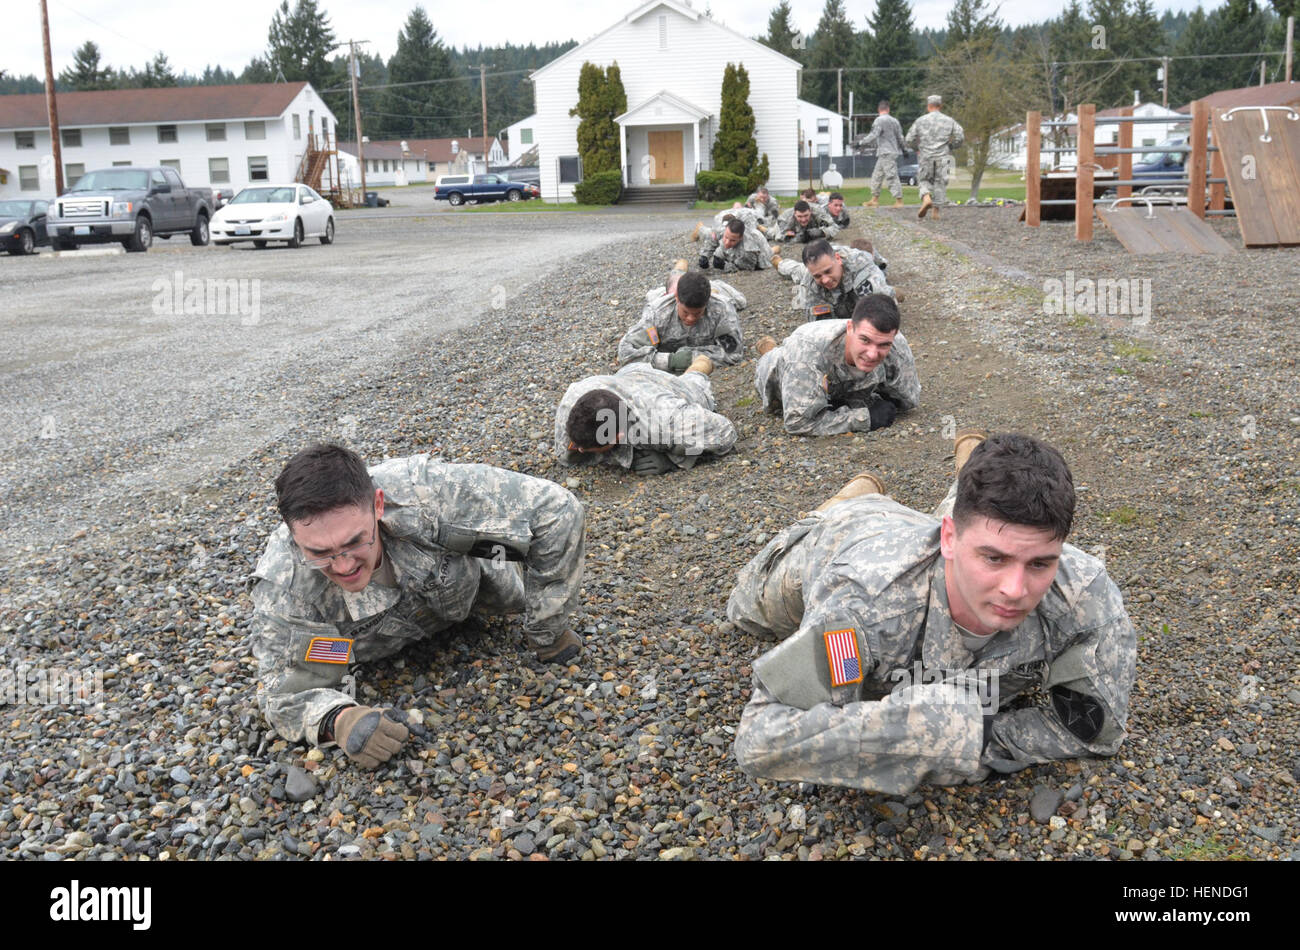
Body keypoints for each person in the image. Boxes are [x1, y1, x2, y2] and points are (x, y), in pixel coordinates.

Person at [728, 432, 1138, 794]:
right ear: (950, 539)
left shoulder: (1081, 594)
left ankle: (965, 467)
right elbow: (761, 738)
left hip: (929, 537)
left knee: (973, 525)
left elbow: (1094, 731)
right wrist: (917, 734)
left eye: (1039, 564)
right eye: (994, 559)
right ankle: (847, 498)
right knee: (745, 613)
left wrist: (973, 739)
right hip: (845, 537)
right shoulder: (865, 607)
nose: (1015, 591)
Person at [249, 445, 586, 768]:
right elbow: (282, 694)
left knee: (503, 546)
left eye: (355, 541)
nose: (342, 565)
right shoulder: (285, 585)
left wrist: (548, 631)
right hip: (358, 649)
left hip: (478, 599)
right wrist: (340, 720)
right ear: (295, 539)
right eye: (320, 553)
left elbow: (558, 511)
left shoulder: (424, 494)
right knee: (320, 658)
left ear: (378, 505)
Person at [752, 293, 918, 436]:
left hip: (830, 377)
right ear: (850, 328)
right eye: (865, 340)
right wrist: (863, 418)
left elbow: (909, 400)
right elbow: (798, 422)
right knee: (777, 355)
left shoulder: (897, 344)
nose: (872, 353)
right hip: (780, 369)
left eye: (883, 345)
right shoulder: (805, 352)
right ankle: (768, 348)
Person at [555, 360, 736, 475]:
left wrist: (673, 459)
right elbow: (566, 456)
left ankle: (701, 361)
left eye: (589, 448)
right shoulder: (570, 404)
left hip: (674, 388)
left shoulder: (665, 424)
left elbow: (725, 432)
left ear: (619, 436)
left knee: (696, 376)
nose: (579, 450)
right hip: (629, 374)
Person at [618, 270, 745, 370]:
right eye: (685, 312)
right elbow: (626, 352)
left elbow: (734, 353)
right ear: (677, 298)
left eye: (697, 313)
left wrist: (691, 357)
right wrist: (670, 361)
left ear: (708, 302)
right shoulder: (657, 313)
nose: (690, 318)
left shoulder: (722, 310)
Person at [789, 239, 893, 323]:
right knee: (794, 270)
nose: (825, 280)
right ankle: (779, 262)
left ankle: (894, 291)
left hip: (855, 281)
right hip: (805, 271)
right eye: (818, 276)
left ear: (838, 259)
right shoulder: (809, 282)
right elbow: (818, 327)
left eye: (828, 271)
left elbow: (882, 313)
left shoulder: (860, 264)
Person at [906, 94, 965, 219]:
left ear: (928, 106)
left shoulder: (920, 120)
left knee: (923, 180)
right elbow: (960, 136)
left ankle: (926, 197)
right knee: (940, 183)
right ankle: (935, 213)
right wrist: (950, 146)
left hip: (925, 156)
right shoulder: (949, 121)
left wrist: (918, 148)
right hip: (943, 157)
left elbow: (909, 139)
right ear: (940, 106)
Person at [644, 259, 747, 311]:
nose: (682, 299)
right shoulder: (659, 299)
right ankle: (682, 261)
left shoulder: (714, 294)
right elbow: (649, 297)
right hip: (675, 279)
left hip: (704, 288)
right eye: (676, 297)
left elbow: (740, 301)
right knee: (677, 272)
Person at [863, 100, 906, 208]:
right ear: (888, 109)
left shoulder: (879, 120)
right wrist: (904, 149)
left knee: (891, 176)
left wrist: (861, 142)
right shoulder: (895, 121)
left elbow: (874, 134)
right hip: (887, 152)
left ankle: (899, 201)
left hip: (886, 152)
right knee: (877, 176)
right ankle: (874, 199)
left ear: (879, 110)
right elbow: (900, 137)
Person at [698, 217, 773, 271]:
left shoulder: (748, 250)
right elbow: (713, 239)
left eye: (732, 240)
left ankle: (774, 250)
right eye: (726, 237)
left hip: (761, 256)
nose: (727, 242)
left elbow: (748, 267)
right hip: (739, 247)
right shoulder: (724, 229)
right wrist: (705, 256)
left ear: (740, 238)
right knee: (719, 253)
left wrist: (724, 266)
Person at [773, 200, 839, 244]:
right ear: (795, 214)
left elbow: (835, 227)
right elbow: (781, 237)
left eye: (806, 215)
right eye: (800, 216)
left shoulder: (818, 211)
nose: (803, 219)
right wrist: (798, 238)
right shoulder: (785, 217)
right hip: (791, 228)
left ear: (810, 211)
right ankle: (764, 229)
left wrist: (822, 232)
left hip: (813, 227)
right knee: (772, 234)